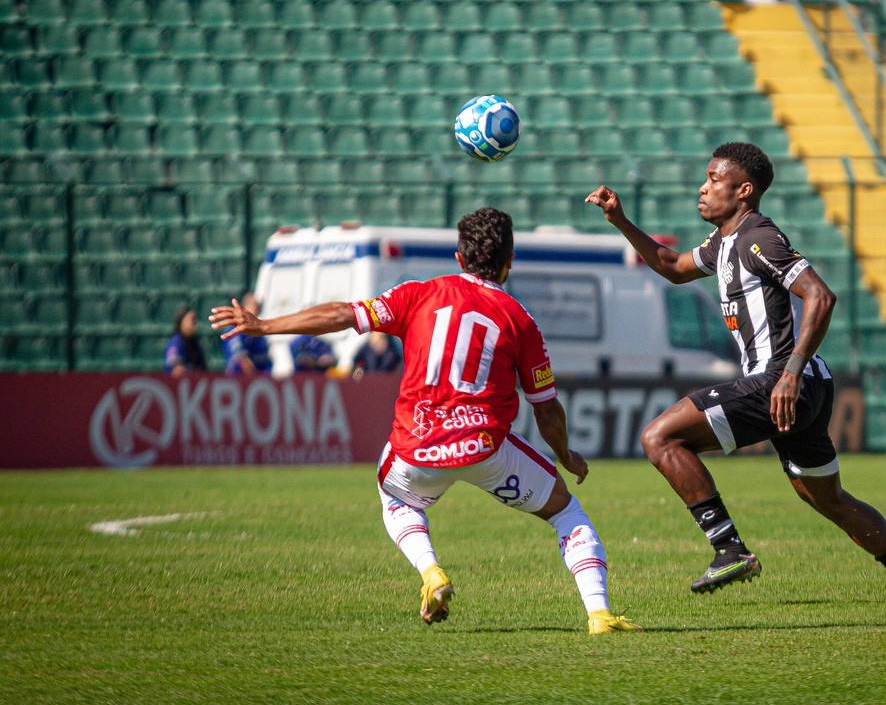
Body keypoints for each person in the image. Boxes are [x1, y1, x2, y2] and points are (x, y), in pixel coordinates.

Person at [209, 207, 642, 633]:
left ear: (458, 258)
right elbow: (546, 408)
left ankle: (431, 570)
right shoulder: (520, 320)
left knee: (394, 495)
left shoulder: (417, 294)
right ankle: (599, 615)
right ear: (510, 262)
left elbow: (344, 314)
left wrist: (263, 326)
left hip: (417, 449)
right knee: (567, 512)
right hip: (485, 450)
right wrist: (565, 455)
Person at [585, 142, 886, 601]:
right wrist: (620, 220)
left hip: (782, 378)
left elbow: (821, 296)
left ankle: (728, 549)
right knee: (829, 498)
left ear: (743, 190)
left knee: (660, 437)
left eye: (714, 180)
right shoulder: (723, 243)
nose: (703, 188)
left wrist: (790, 373)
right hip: (803, 384)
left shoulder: (759, 237)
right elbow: (673, 266)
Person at [221, 292, 272, 376]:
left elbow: (266, 361)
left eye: (258, 306)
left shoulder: (260, 334)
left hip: (260, 381)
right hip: (238, 380)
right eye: (254, 305)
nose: (258, 309)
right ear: (244, 308)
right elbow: (241, 360)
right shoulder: (235, 330)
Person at [163, 306, 206, 379]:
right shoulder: (176, 341)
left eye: (195, 321)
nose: (194, 323)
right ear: (181, 322)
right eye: (191, 320)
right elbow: (176, 371)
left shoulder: (195, 343)